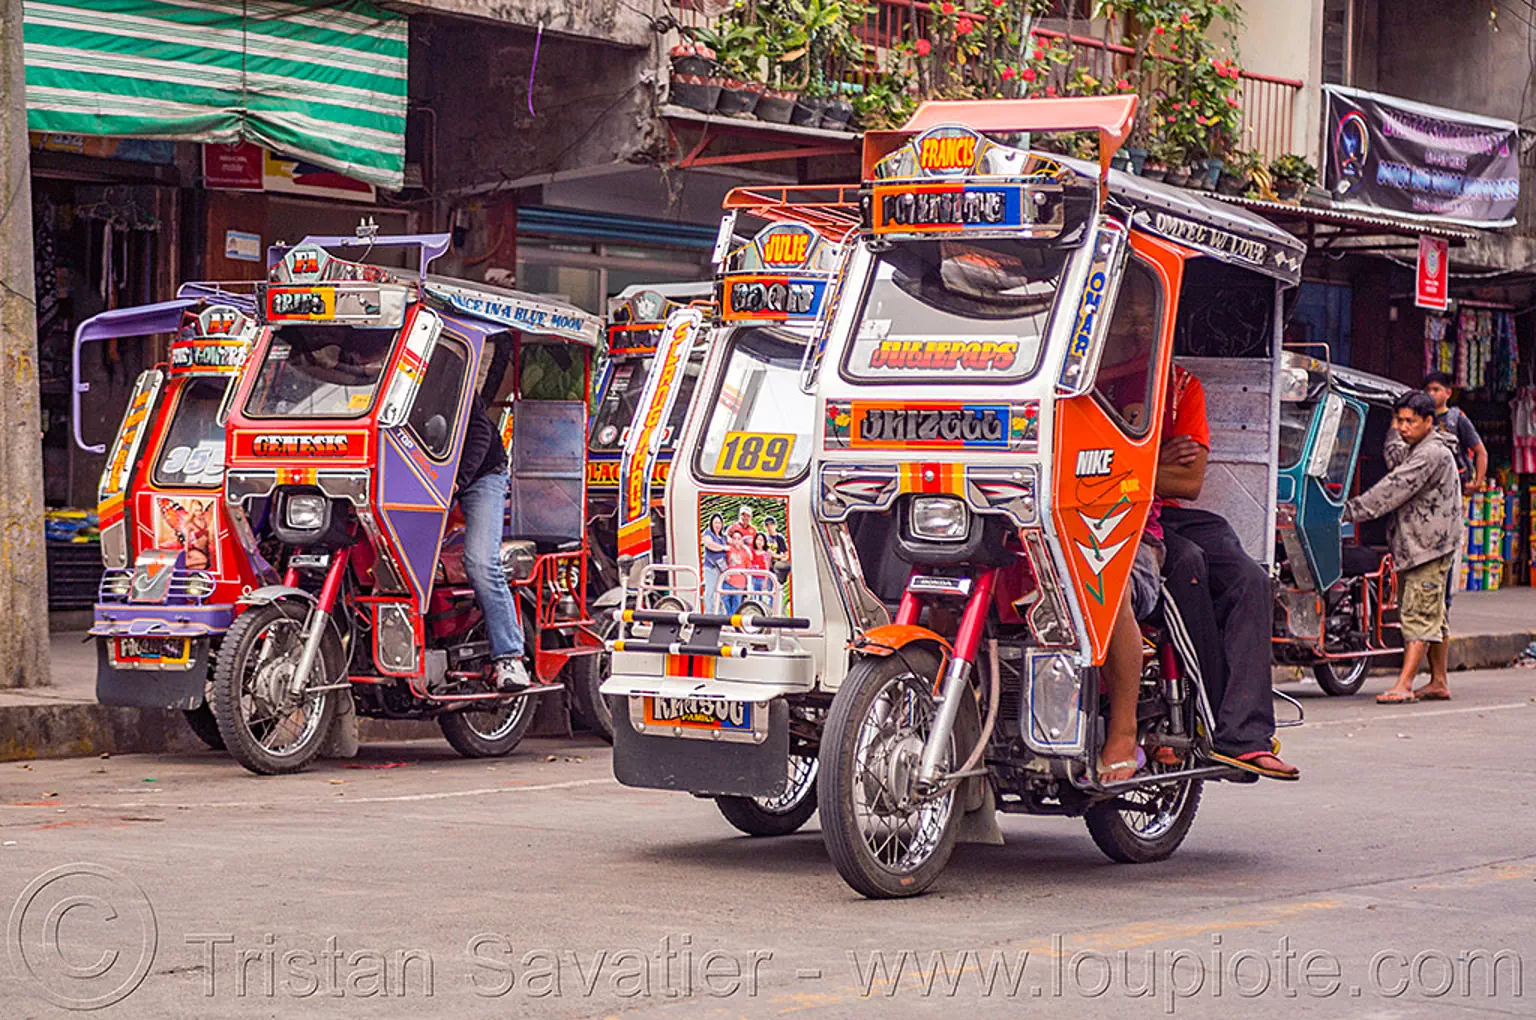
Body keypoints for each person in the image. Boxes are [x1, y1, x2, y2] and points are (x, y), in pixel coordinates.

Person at [1342, 392, 1462, 704]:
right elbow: (1394, 453)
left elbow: (1393, 488)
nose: (1403, 427)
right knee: (1435, 614)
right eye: (1400, 420)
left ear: (1428, 422)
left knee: (1417, 614)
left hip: (1429, 546)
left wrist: (1345, 510)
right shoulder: (1414, 447)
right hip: (1416, 544)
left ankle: (1405, 683)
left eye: (1410, 421)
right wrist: (1393, 420)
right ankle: (1438, 681)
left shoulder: (1431, 453)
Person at [457, 393, 530, 692]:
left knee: (481, 563)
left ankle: (510, 657)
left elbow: (480, 432)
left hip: (481, 476)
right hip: (424, 478)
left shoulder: (447, 370)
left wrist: (458, 481)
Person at [1423, 372, 1487, 495]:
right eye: (1427, 390)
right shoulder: (1419, 418)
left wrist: (1477, 483)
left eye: (1436, 390)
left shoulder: (1456, 419)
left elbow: (1481, 451)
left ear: (1448, 393)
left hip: (1452, 485)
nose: (1431, 394)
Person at [701, 514, 728, 611]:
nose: (718, 525)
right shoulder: (707, 533)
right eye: (715, 522)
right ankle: (709, 614)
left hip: (722, 569)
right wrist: (723, 548)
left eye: (719, 522)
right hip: (711, 568)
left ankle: (719, 614)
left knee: (720, 593)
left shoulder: (724, 537)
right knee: (710, 592)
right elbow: (709, 544)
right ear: (711, 523)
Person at [764, 517, 790, 586]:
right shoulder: (764, 538)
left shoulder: (780, 538)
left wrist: (777, 557)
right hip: (767, 569)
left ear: (775, 525)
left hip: (776, 569)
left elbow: (785, 554)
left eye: (771, 524)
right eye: (767, 525)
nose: (769, 527)